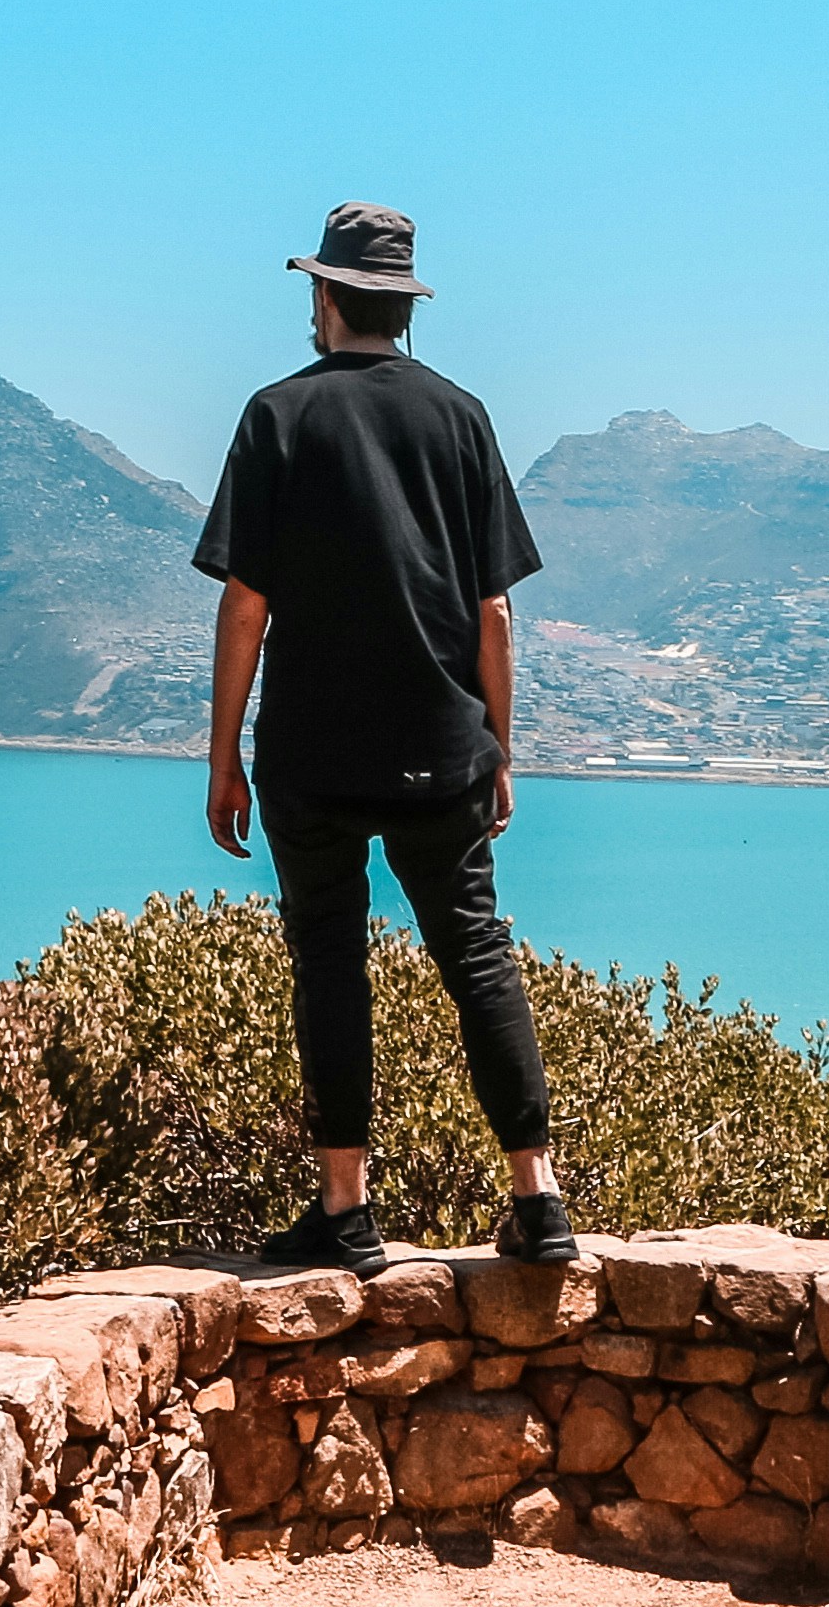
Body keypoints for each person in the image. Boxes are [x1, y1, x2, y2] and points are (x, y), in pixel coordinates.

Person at [193, 201, 576, 1276]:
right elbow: (495, 612)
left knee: (330, 963)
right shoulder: (462, 418)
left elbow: (244, 608)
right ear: (401, 305)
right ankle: (537, 1199)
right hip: (442, 745)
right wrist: (499, 744)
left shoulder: (277, 416)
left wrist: (223, 755)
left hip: (313, 752)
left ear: (324, 298)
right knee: (476, 954)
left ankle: (346, 1209)